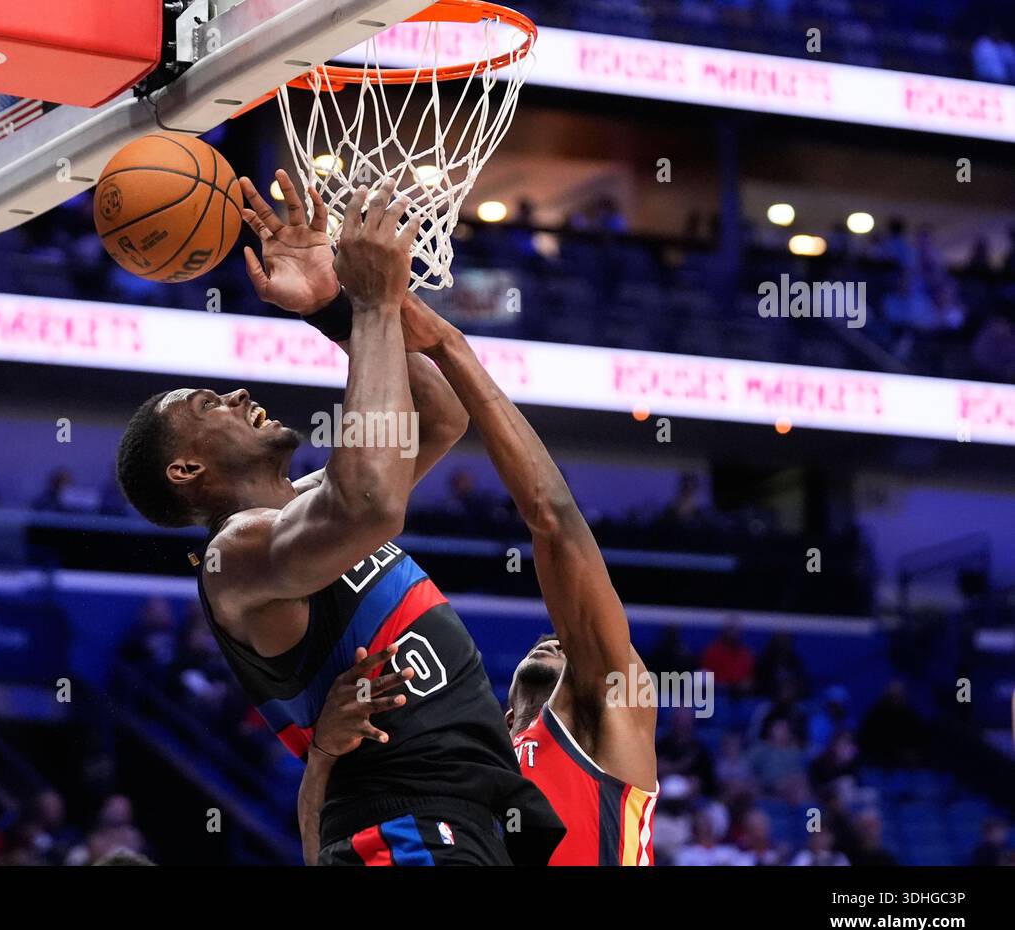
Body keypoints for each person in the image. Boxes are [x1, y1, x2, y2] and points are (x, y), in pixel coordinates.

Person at [115, 172, 562, 865]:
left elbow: (441, 416)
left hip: (460, 809)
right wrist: (376, 305)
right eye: (210, 406)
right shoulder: (234, 558)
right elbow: (373, 503)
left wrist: (331, 306)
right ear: (186, 472)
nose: (237, 393)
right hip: (403, 819)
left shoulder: (309, 503)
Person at [298, 291, 659, 865]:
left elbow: (554, 521)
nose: (554, 636)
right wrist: (322, 755)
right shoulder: (458, 773)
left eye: (566, 641)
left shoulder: (606, 714)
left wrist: (449, 345)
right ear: (503, 715)